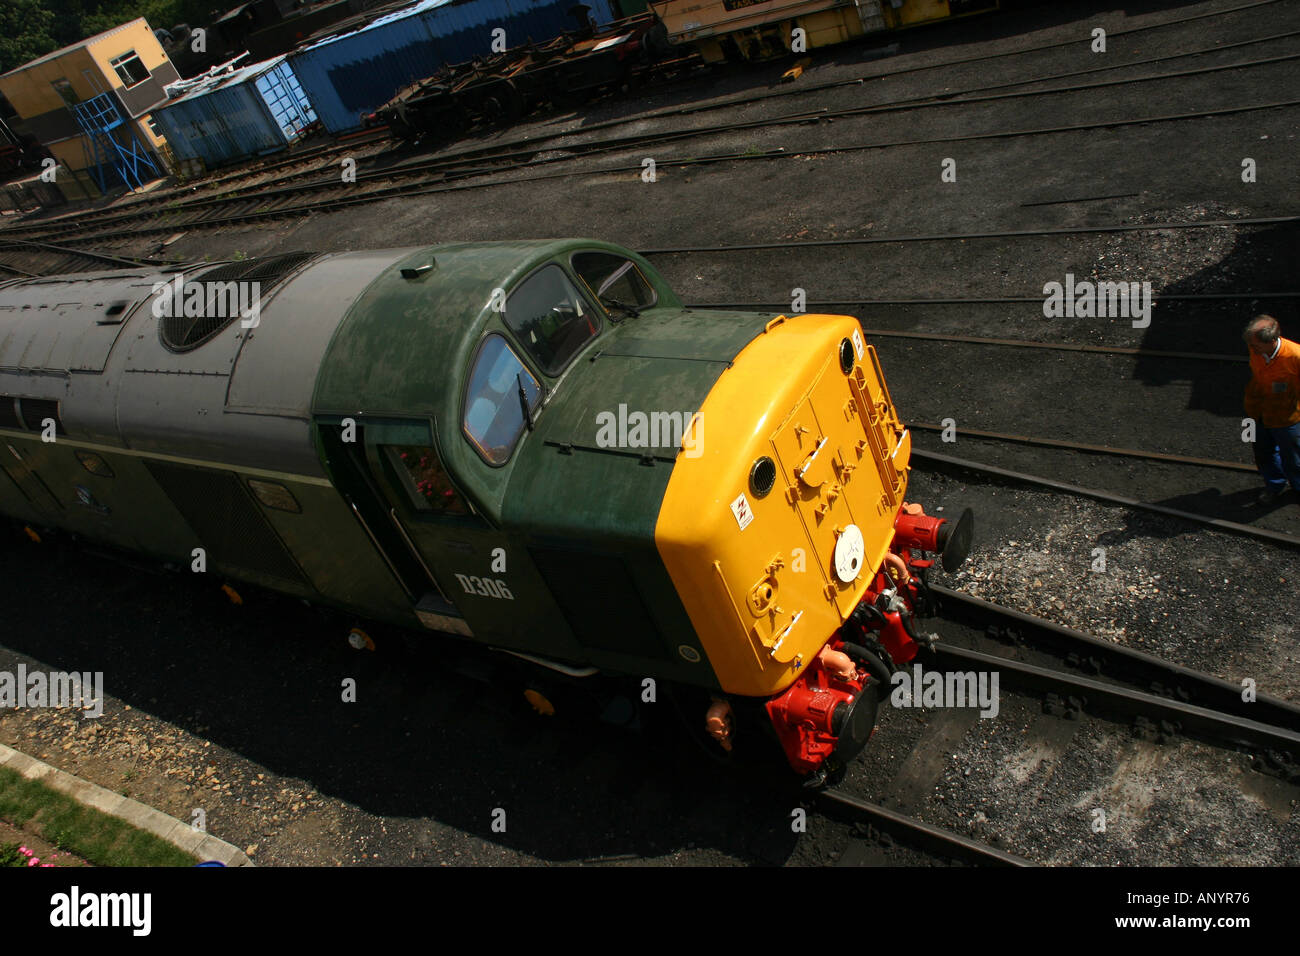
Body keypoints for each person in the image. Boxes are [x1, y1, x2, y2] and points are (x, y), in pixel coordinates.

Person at [1242, 315, 1300, 505]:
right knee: (1262, 452)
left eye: (1255, 344)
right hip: (1256, 412)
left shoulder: (1295, 356)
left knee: (1293, 457)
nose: (1252, 348)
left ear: (1272, 340)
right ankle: (1274, 485)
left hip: (1287, 417)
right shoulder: (1255, 348)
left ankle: (1298, 487)